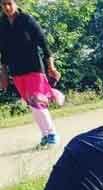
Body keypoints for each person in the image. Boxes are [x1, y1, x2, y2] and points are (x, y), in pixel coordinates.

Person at [0, 0, 64, 147]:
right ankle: (45, 134)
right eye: (3, 4)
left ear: (16, 3)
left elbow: (44, 44)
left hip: (33, 66)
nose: (7, 7)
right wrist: (3, 75)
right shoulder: (2, 25)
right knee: (31, 103)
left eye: (9, 3)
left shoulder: (27, 19)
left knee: (36, 100)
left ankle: (52, 134)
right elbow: (3, 53)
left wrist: (51, 66)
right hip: (16, 70)